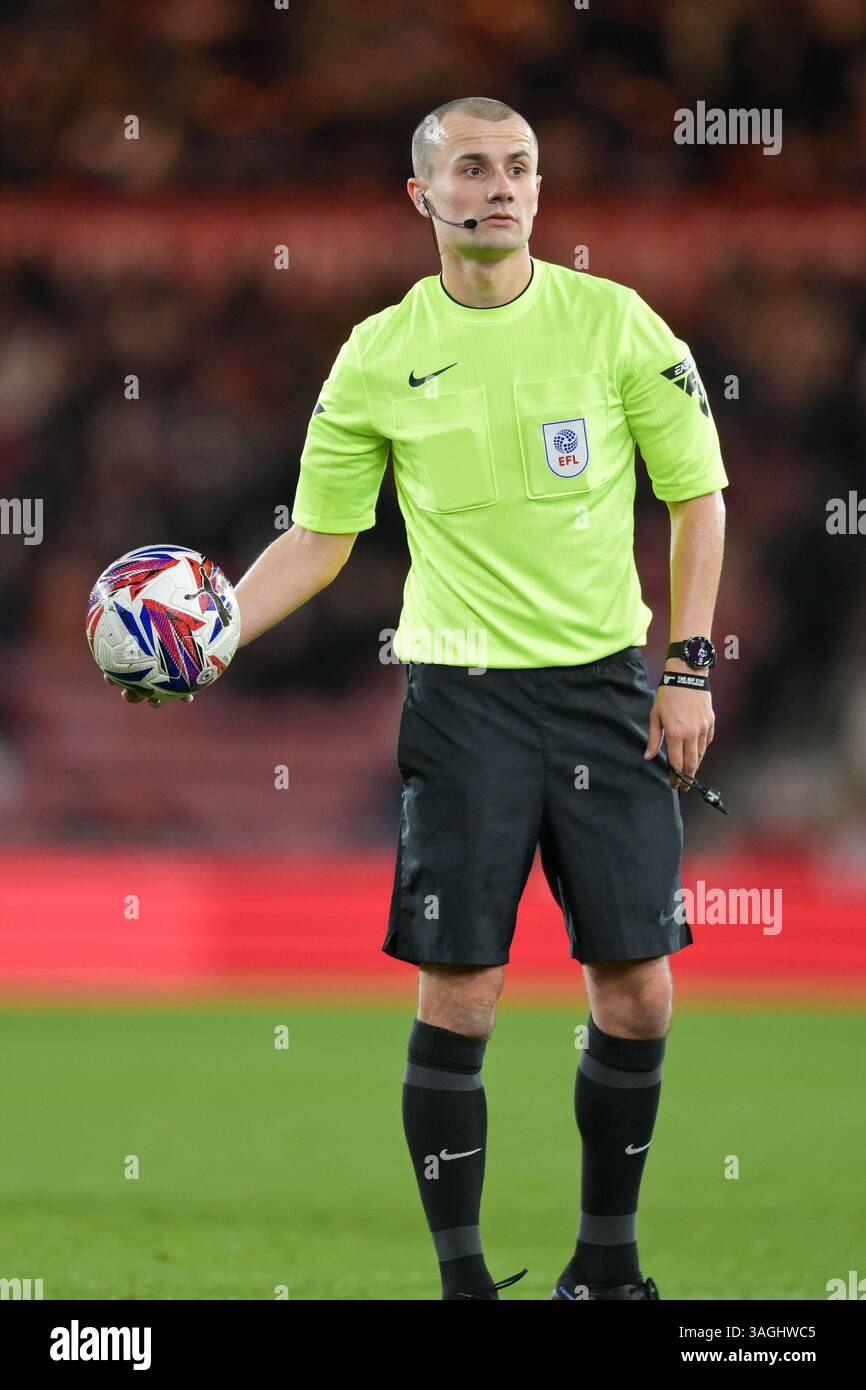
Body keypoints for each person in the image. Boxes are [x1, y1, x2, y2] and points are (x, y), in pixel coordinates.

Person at [110, 96, 728, 1302]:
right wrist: (211, 636)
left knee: (639, 994)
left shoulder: (615, 324)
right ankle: (461, 1285)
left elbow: (694, 494)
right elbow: (321, 537)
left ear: (538, 191)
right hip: (461, 700)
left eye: (518, 168)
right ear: (422, 197)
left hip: (607, 691)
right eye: (472, 169)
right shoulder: (376, 354)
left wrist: (688, 664)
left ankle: (606, 1269)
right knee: (462, 994)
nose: (498, 187)